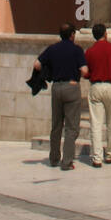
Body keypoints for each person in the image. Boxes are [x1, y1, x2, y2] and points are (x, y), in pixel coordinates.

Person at [33, 23, 88, 170]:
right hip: (71, 87)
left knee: (56, 125)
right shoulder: (76, 50)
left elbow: (37, 64)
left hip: (56, 87)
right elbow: (84, 70)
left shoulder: (52, 49)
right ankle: (67, 161)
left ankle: (54, 158)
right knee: (71, 127)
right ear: (72, 35)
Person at [84, 23, 111, 168]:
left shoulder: (89, 51)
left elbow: (86, 72)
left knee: (96, 123)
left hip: (96, 86)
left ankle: (97, 157)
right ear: (105, 34)